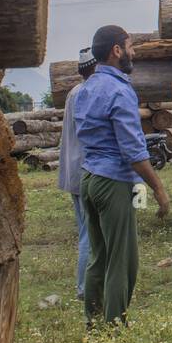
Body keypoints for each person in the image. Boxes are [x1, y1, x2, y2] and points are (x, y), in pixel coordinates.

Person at [74, 24, 170, 324]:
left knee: (98, 257)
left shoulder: (86, 88)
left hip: (88, 178)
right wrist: (158, 189)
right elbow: (132, 151)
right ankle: (115, 325)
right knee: (122, 260)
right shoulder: (120, 89)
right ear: (116, 50)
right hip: (113, 181)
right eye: (130, 46)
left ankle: (93, 320)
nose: (133, 52)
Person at [58, 46, 98, 300]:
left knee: (85, 229)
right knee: (89, 235)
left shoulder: (74, 92)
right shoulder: (86, 92)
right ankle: (84, 288)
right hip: (85, 170)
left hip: (73, 172)